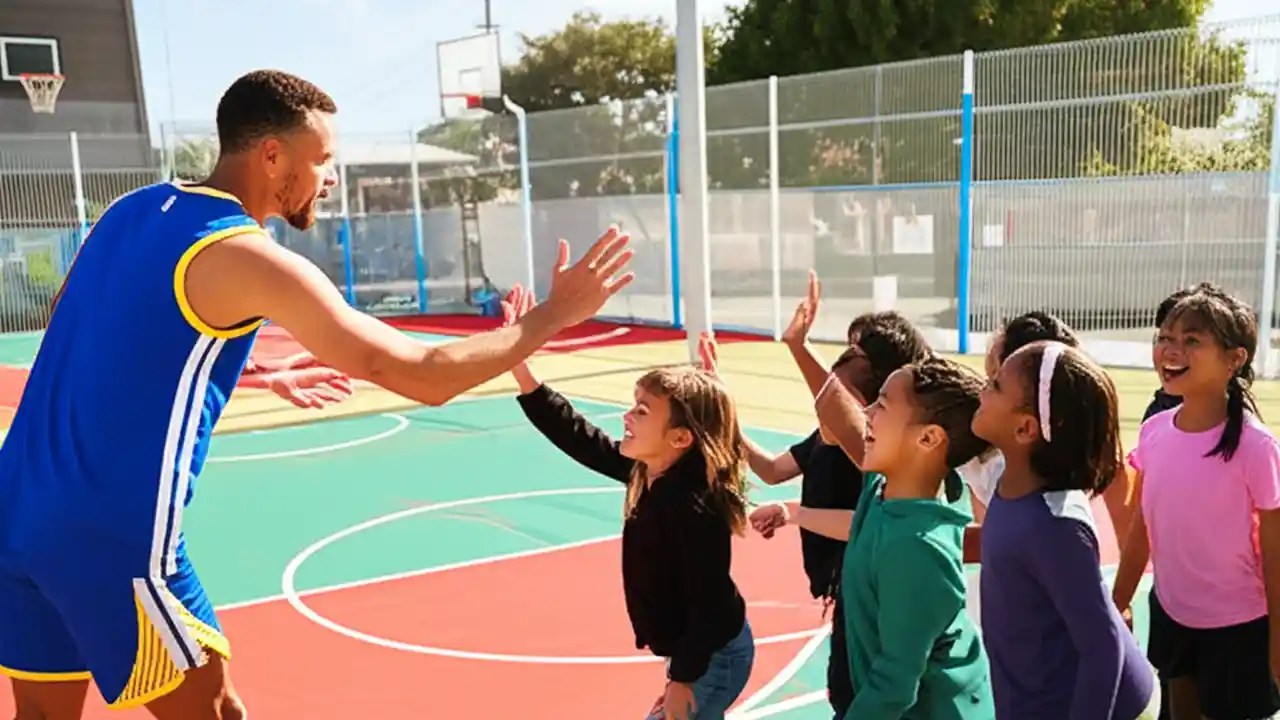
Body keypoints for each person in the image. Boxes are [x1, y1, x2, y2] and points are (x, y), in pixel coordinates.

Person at [0, 70, 634, 720]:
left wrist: (248, 375)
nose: (328, 178)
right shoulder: (247, 255)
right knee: (217, 714)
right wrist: (552, 316)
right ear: (271, 154)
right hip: (104, 534)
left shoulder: (131, 210)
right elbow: (424, 372)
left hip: (14, 511)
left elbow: (76, 321)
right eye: (322, 160)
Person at [502, 285, 753, 720]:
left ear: (679, 438)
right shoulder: (650, 472)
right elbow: (578, 437)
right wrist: (520, 367)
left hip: (714, 656)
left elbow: (710, 606)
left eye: (642, 411)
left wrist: (683, 679)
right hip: (697, 652)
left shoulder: (695, 507)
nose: (626, 417)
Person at [777, 356, 995, 718]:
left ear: (928, 438)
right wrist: (798, 346)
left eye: (883, 404)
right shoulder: (880, 485)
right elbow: (840, 413)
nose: (868, 412)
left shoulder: (918, 547)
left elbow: (894, 684)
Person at [743, 298, 930, 719]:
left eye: (859, 350)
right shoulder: (826, 436)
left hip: (865, 585)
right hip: (844, 588)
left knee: (864, 686)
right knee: (846, 683)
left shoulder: (871, 451)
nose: (847, 355)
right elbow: (773, 470)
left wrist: (797, 347)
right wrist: (723, 423)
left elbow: (868, 525)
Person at [1112, 283, 1280, 720]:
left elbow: (1275, 553)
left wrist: (1278, 639)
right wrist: (1118, 602)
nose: (1171, 350)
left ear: (1234, 359)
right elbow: (1143, 527)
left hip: (1240, 629)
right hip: (1172, 616)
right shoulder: (1154, 432)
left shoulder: (1257, 447)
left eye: (1191, 341)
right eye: (1165, 338)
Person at [970, 340, 1159, 718]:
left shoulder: (1054, 528)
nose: (981, 389)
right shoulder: (1014, 485)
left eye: (995, 385)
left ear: (1024, 428)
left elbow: (1103, 649)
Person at [963, 311, 1137, 547]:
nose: (981, 392)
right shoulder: (979, 447)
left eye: (995, 382)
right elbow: (994, 540)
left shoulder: (1061, 519)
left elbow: (1128, 542)